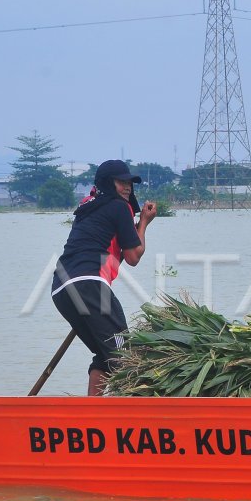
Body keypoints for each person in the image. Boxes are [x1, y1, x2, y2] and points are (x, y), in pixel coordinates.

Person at [51, 159, 157, 395]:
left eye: (129, 183)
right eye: (121, 182)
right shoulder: (120, 207)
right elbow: (133, 256)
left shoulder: (87, 206)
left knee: (105, 354)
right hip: (89, 285)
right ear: (108, 184)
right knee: (124, 353)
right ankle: (129, 407)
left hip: (60, 289)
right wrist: (144, 223)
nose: (127, 187)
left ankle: (92, 410)